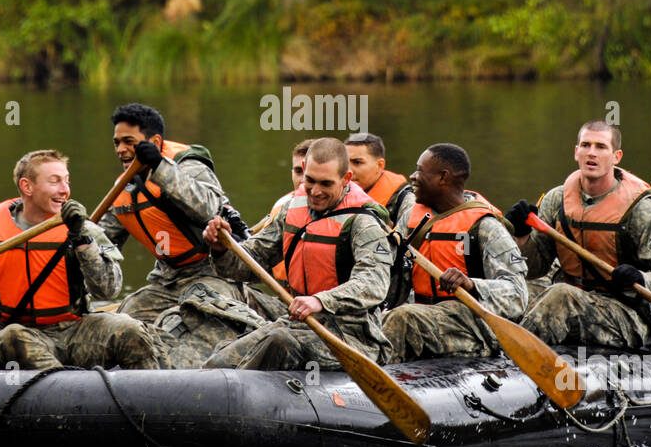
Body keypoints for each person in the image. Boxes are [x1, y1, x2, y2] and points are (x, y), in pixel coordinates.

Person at [0, 149, 164, 370]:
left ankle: (152, 408)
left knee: (129, 330)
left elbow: (108, 290)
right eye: (54, 181)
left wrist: (81, 240)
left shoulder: (82, 227)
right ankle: (70, 396)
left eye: (66, 181)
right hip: (25, 335)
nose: (65, 190)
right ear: (27, 187)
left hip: (75, 332)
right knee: (10, 338)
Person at [200, 137, 395, 370]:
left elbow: (374, 282)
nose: (315, 191)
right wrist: (222, 248)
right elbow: (252, 262)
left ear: (346, 179)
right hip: (298, 324)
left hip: (351, 336)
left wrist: (320, 301)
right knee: (218, 363)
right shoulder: (293, 209)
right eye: (310, 180)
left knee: (279, 342)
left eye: (326, 184)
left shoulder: (364, 223)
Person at [506, 121, 651, 350]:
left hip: (625, 312)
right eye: (586, 145)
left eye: (601, 147)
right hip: (575, 294)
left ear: (616, 156)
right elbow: (534, 268)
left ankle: (510, 354)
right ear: (576, 152)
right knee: (517, 288)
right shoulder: (557, 199)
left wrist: (642, 279)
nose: (592, 153)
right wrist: (521, 237)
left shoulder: (640, 209)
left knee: (561, 296)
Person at [380, 144, 528, 363]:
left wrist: (472, 284)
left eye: (420, 171)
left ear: (443, 178)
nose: (412, 176)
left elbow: (517, 294)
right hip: (421, 314)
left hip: (471, 327)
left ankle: (373, 383)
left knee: (404, 318)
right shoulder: (411, 219)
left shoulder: (485, 227)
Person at [96, 103, 243, 323]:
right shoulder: (122, 189)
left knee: (202, 319)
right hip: (167, 281)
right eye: (117, 143)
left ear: (154, 142)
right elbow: (102, 240)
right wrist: (80, 238)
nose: (120, 150)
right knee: (125, 322)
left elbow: (209, 208)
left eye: (129, 142)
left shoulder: (189, 165)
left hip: (213, 275)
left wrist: (159, 165)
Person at [345, 132, 415, 229]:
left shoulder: (404, 200)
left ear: (380, 165)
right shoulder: (332, 193)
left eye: (357, 162)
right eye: (344, 163)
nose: (348, 170)